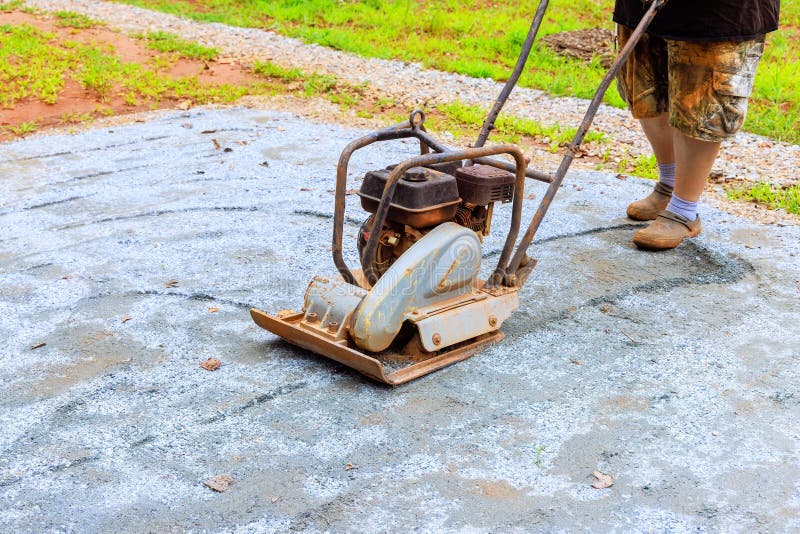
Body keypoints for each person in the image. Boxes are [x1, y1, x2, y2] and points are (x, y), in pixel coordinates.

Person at [613, 0, 780, 250]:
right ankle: (669, 185)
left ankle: (684, 210)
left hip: (717, 11)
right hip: (642, 6)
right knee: (646, 88)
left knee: (703, 100)